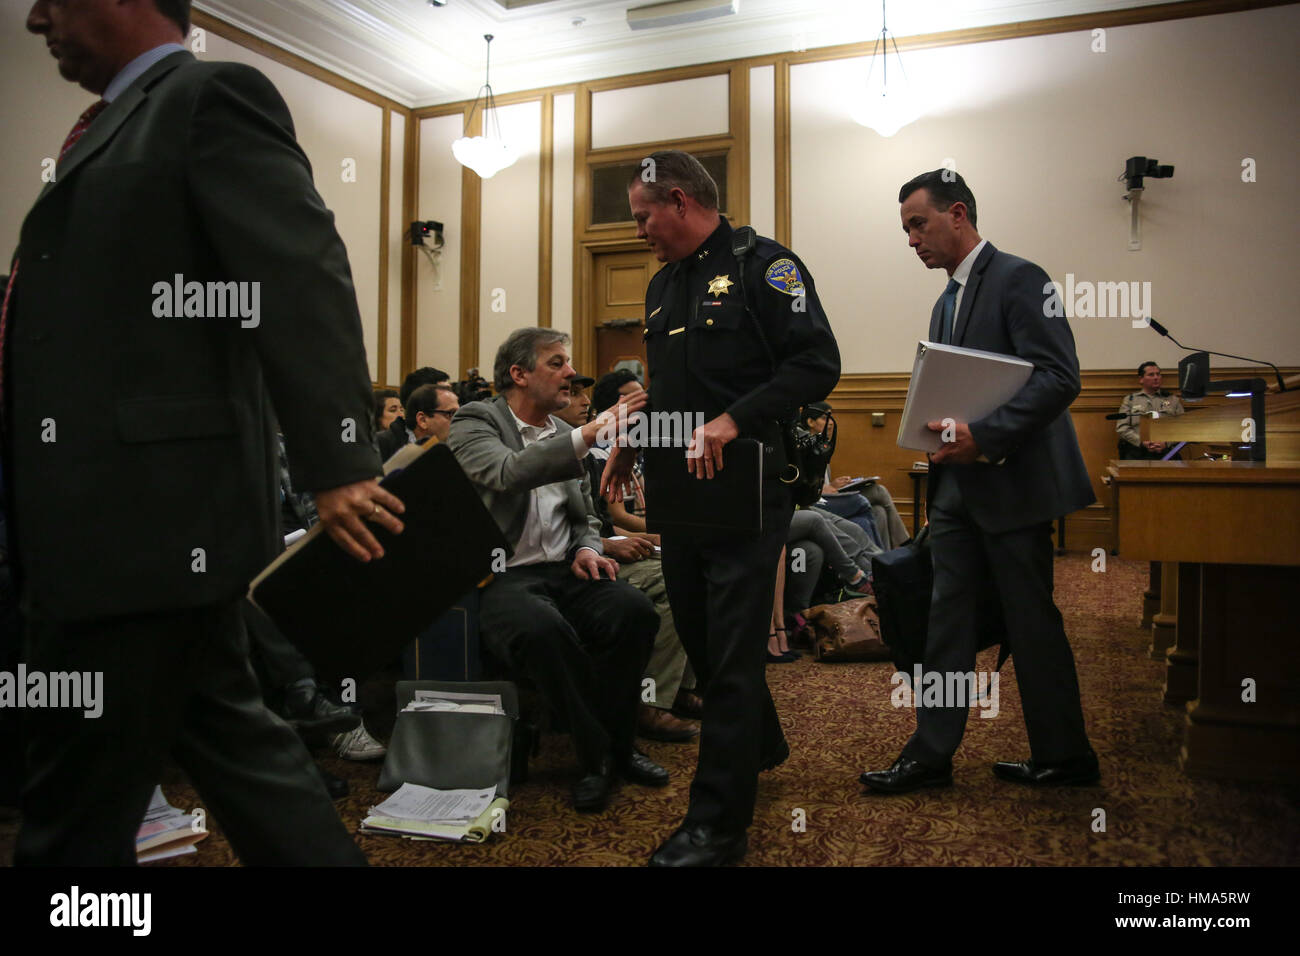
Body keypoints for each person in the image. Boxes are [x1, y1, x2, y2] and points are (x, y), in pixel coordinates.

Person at [8, 0, 405, 865]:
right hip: (115, 524)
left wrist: (338, 457)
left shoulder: (210, 96)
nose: (36, 16)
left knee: (75, 802)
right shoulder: (103, 130)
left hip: (141, 520)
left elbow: (298, 272)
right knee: (224, 754)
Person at [604, 150, 839, 866]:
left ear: (679, 200)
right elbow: (678, 394)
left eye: (644, 216)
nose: (639, 229)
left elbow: (817, 363)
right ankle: (759, 743)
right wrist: (636, 441)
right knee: (706, 641)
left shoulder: (766, 266)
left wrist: (736, 418)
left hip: (746, 487)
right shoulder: (661, 286)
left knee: (732, 660)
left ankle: (716, 826)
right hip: (681, 493)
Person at [859, 170, 1098, 796]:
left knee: (1030, 625)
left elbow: (1058, 376)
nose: (912, 239)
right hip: (959, 492)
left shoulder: (1022, 278)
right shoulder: (944, 300)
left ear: (957, 213)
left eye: (919, 223)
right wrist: (939, 439)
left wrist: (983, 437)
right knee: (947, 626)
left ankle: (1066, 756)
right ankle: (930, 754)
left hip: (1013, 488)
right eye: (906, 228)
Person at [447, 328, 668, 812]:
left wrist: (589, 547)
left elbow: (586, 515)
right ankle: (603, 756)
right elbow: (505, 474)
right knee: (544, 631)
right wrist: (586, 436)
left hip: (565, 569)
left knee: (632, 611)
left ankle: (617, 744)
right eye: (557, 363)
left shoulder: (557, 431)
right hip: (501, 576)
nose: (571, 373)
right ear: (519, 374)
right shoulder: (475, 420)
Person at [1116, 362, 1185, 459]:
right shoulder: (1130, 400)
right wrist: (1142, 442)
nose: (1156, 377)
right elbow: (1122, 428)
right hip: (1137, 451)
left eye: (1158, 374)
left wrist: (1166, 443)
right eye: (1151, 375)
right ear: (1141, 379)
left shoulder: (1173, 400)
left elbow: (1183, 428)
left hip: (1166, 451)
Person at [377, 383, 458, 460]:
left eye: (458, 414)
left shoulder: (453, 447)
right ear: (422, 420)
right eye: (451, 414)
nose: (458, 420)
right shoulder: (380, 445)